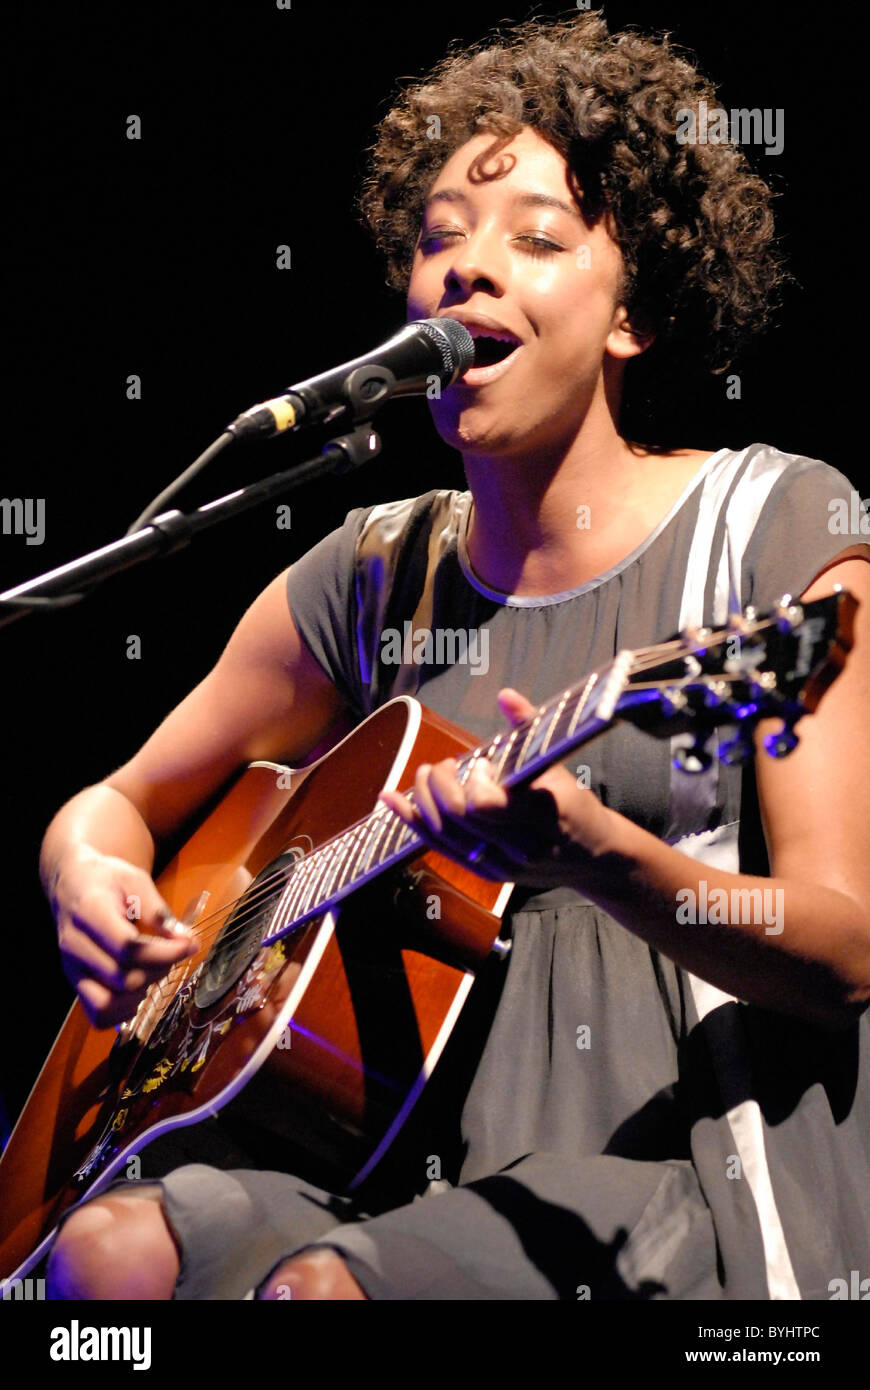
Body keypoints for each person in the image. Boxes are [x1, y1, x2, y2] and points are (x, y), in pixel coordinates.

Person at [42, 12, 870, 1300]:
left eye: (536, 240)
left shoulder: (768, 528)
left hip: (669, 1164)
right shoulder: (374, 570)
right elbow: (115, 804)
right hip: (376, 1157)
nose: (467, 272)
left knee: (327, 1292)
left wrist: (597, 856)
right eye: (438, 240)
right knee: (103, 1260)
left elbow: (848, 953)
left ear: (633, 314)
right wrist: (86, 873)